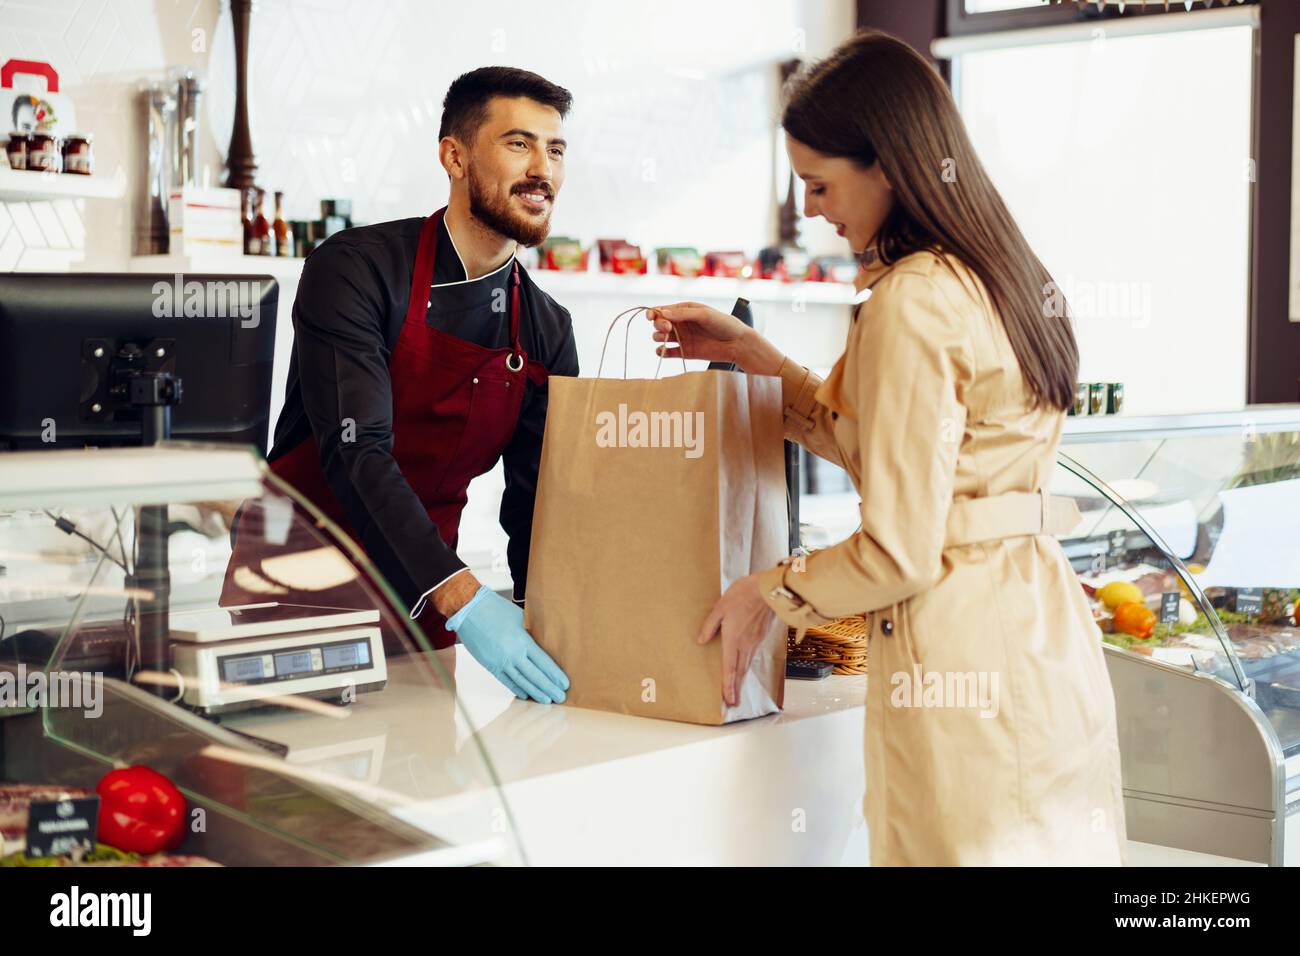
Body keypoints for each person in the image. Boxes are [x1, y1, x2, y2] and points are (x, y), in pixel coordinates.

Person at [648, 30, 1125, 865]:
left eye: (820, 184)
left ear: (890, 166)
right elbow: (892, 448)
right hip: (1039, 637)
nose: (811, 211)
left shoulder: (909, 302)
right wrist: (759, 360)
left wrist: (770, 588)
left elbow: (900, 551)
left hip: (961, 648)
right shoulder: (998, 277)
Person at [221, 67, 574, 705]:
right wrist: (467, 601)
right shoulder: (354, 270)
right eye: (519, 144)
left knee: (422, 797)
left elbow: (540, 499)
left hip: (427, 613)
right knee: (294, 798)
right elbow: (357, 452)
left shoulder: (547, 327)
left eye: (555, 150)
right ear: (454, 155)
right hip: (297, 595)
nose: (542, 170)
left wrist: (544, 619)